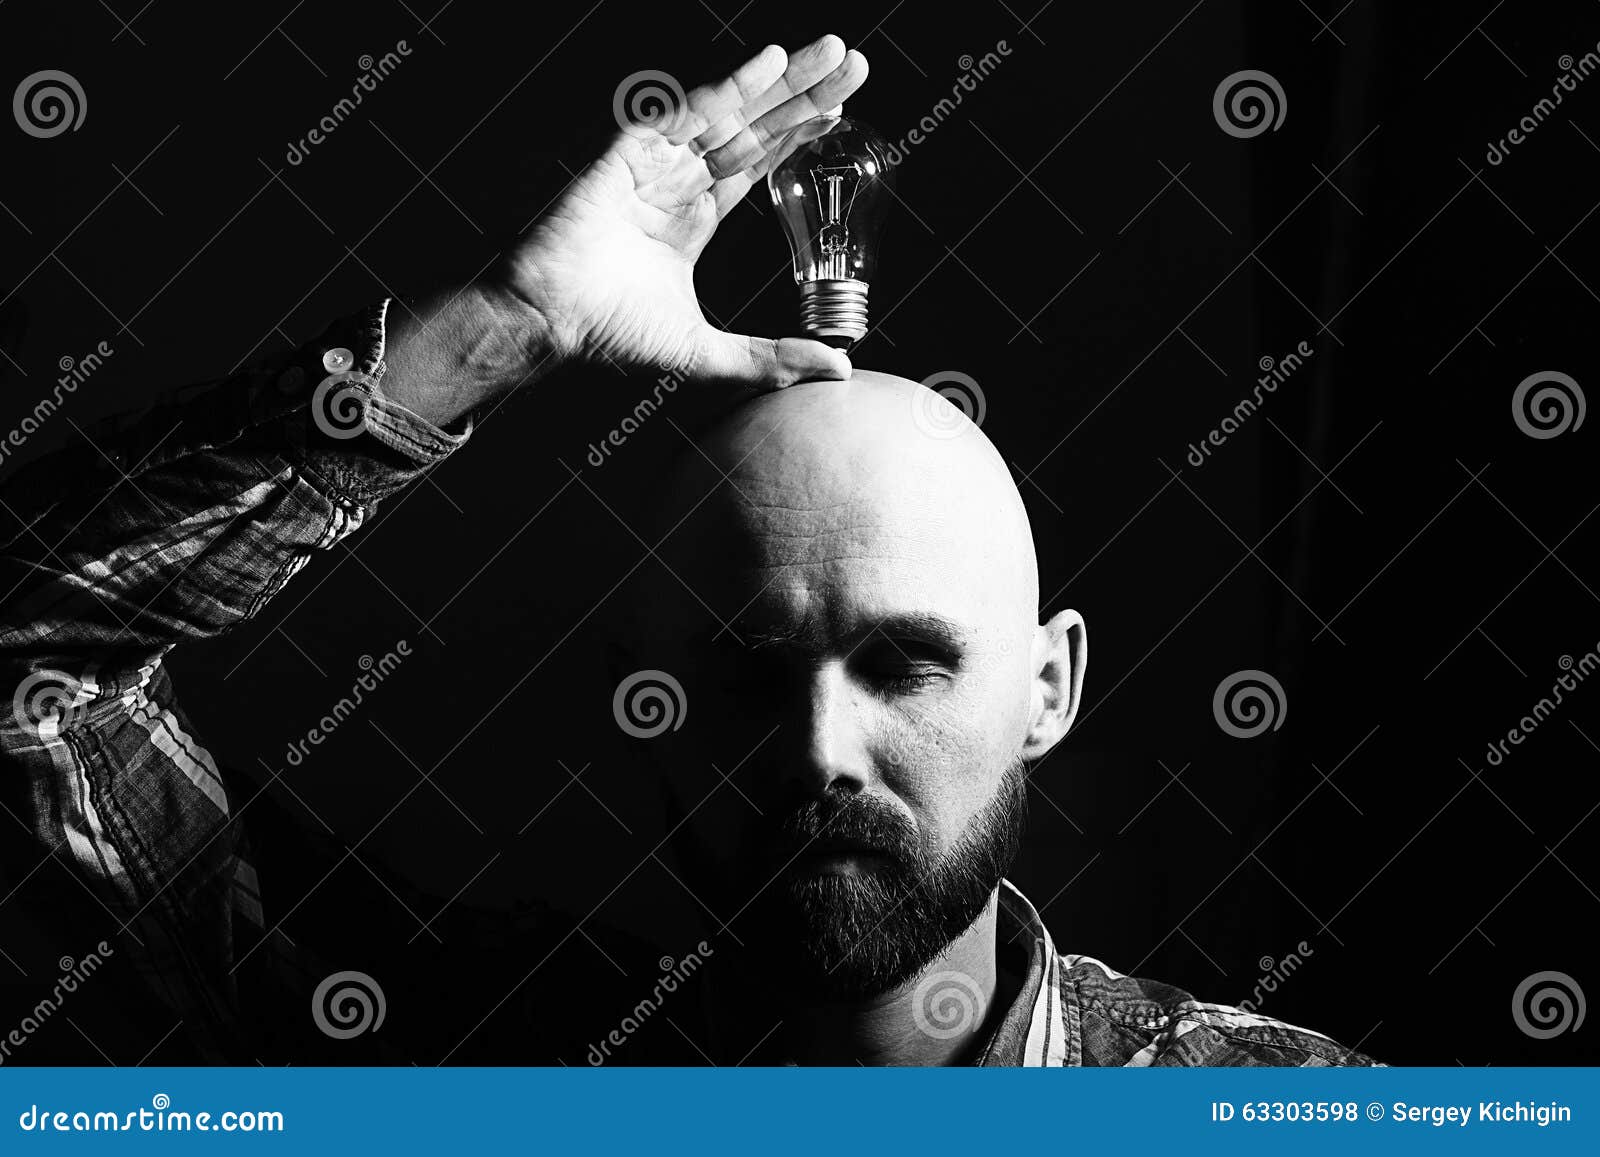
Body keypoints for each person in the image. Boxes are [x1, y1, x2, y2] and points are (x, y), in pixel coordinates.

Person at [0, 36, 1373, 1066]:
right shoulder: (470, 1055)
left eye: (905, 665)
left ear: (1048, 688)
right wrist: (499, 329)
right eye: (746, 669)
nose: (821, 752)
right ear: (643, 696)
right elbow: (31, 667)